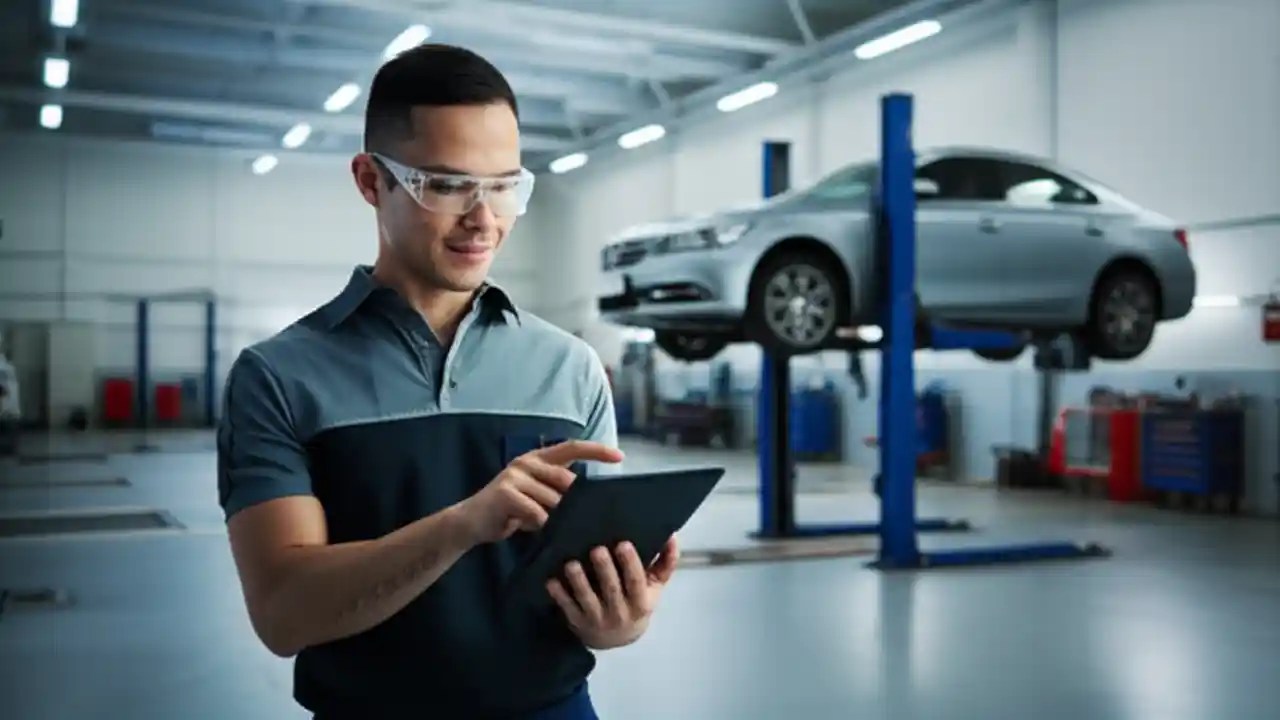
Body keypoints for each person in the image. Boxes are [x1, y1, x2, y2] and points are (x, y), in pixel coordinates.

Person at [216, 44, 680, 719]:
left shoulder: (569, 368)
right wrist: (464, 524)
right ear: (371, 180)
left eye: (503, 185)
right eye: (447, 185)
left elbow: (599, 599)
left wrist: (621, 619)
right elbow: (284, 614)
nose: (485, 218)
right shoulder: (280, 377)